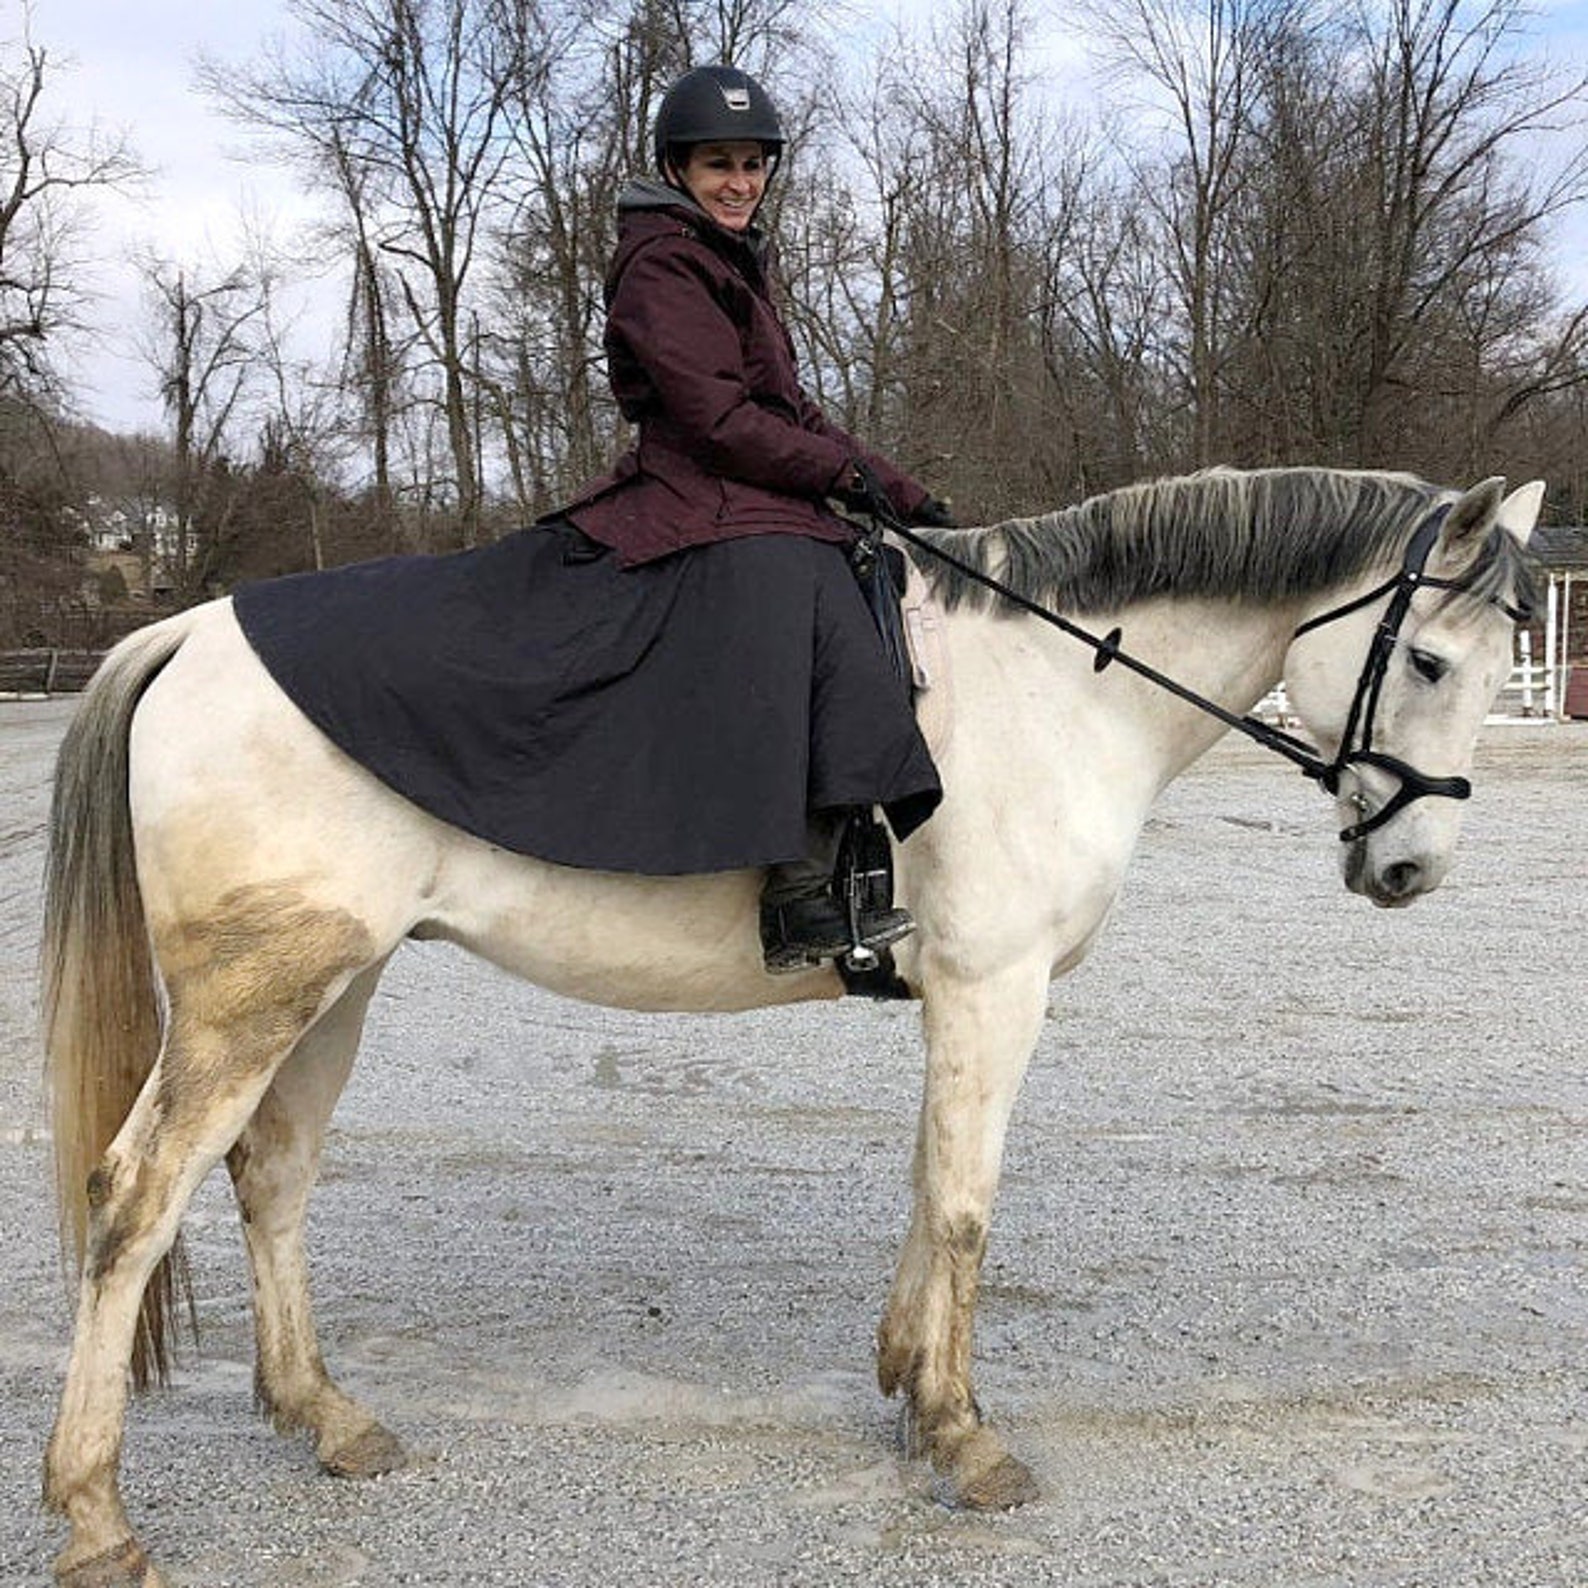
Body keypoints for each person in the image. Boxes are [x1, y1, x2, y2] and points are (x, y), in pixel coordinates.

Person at [560, 63, 951, 972]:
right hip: (694, 487)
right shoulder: (663, 262)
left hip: (735, 481)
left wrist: (895, 488)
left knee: (850, 558)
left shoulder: (727, 258)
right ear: (678, 170)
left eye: (752, 164)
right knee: (803, 578)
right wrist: (839, 478)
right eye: (717, 165)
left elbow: (789, 411)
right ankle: (800, 885)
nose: (739, 181)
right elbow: (721, 421)